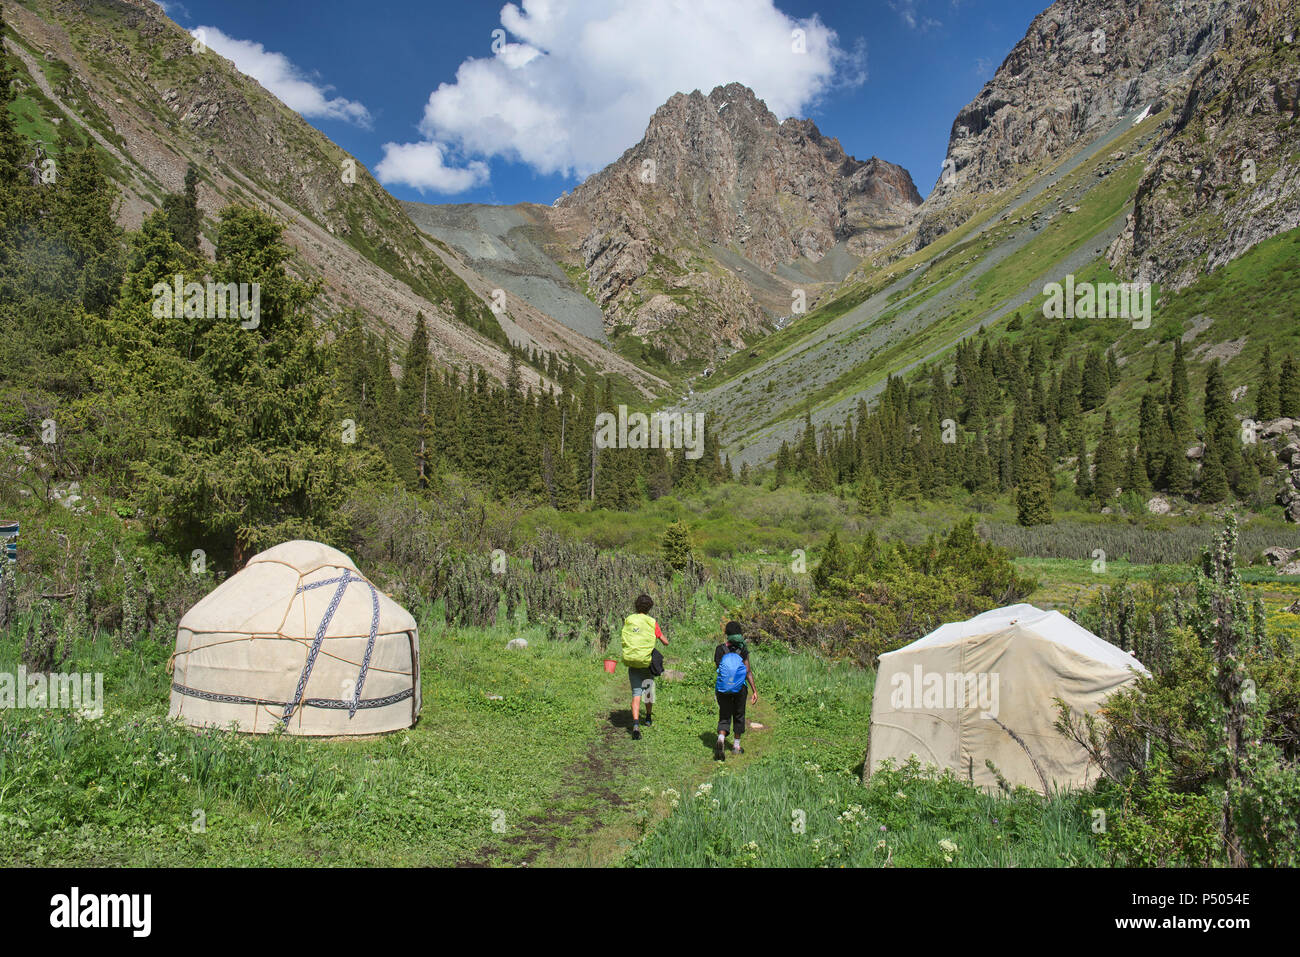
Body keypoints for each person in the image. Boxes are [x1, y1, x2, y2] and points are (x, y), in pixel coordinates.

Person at [620, 593, 668, 740]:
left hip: (633, 662)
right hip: (647, 663)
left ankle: (635, 725)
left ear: (636, 606)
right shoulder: (652, 622)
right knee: (648, 690)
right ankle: (647, 718)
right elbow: (665, 642)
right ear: (650, 608)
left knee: (636, 694)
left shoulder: (629, 619)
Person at [714, 621, 756, 760]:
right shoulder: (742, 650)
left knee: (724, 713)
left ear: (726, 634)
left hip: (723, 688)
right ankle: (736, 746)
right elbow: (748, 671)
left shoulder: (720, 649)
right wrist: (754, 690)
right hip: (740, 688)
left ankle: (721, 737)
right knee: (739, 714)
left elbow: (719, 669)